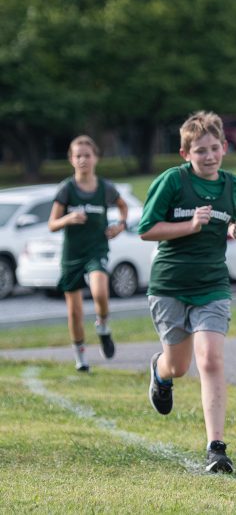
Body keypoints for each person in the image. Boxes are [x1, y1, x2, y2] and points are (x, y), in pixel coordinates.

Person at [138, 111, 236, 474]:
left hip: (212, 284)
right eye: (200, 150)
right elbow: (147, 229)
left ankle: (216, 448)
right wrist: (190, 225)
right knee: (179, 366)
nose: (209, 156)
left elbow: (235, 224)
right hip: (169, 285)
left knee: (211, 359)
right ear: (186, 153)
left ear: (225, 148)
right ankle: (159, 370)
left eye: (215, 148)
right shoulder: (172, 181)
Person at [48, 135, 129, 373]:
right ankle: (80, 356)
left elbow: (123, 207)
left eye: (87, 155)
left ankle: (103, 326)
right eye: (78, 156)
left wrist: (120, 226)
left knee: (100, 292)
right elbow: (52, 224)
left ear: (96, 158)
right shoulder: (66, 189)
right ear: (71, 160)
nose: (83, 160)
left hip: (96, 250)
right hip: (72, 253)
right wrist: (68, 218)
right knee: (74, 310)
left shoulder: (105, 188)